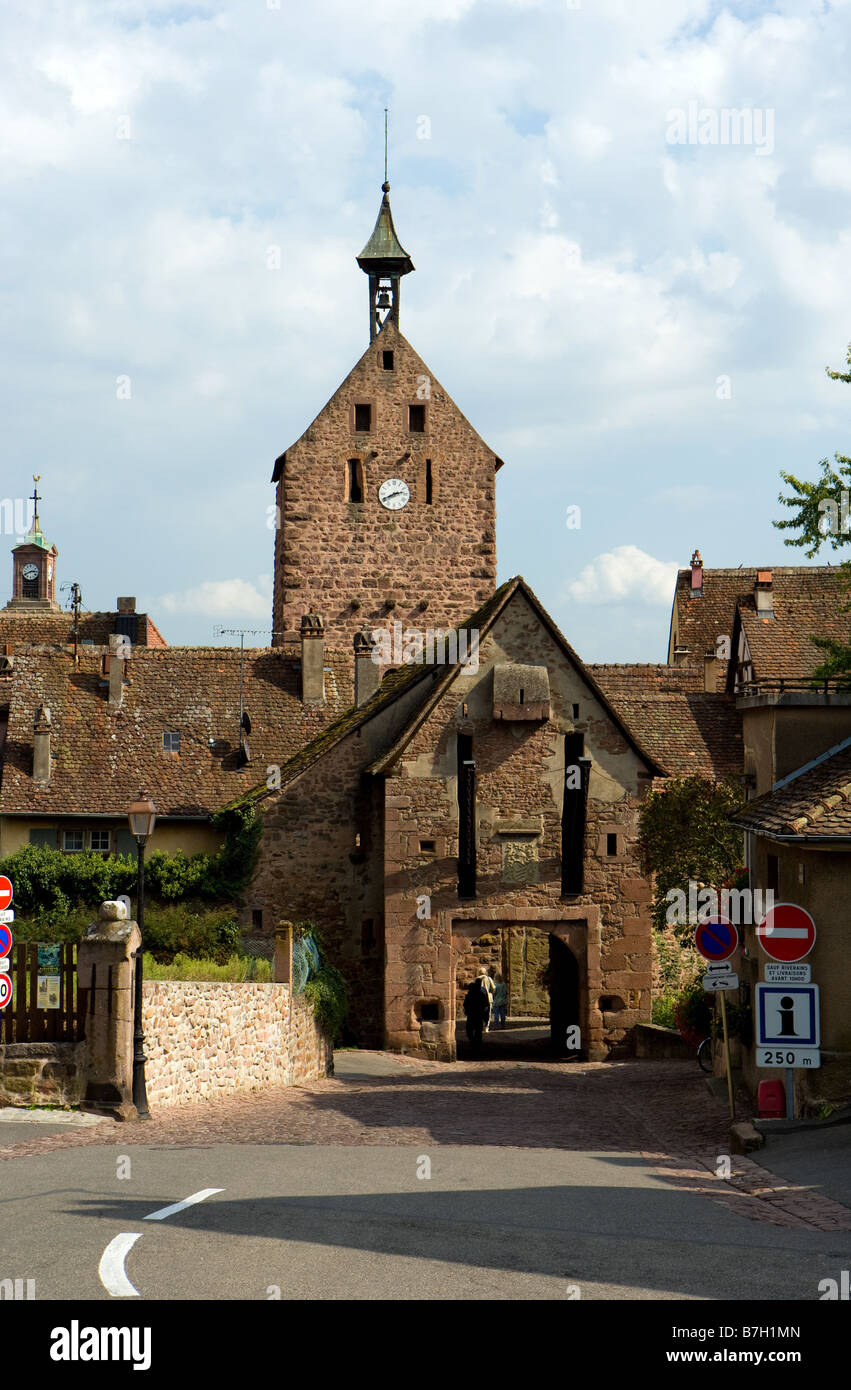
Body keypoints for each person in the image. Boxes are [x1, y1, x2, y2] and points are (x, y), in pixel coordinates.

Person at [463, 974, 490, 1051]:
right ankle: (477, 1043)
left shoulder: (470, 994)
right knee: (478, 1030)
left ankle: (473, 1041)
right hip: (479, 1014)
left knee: (470, 1029)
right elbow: (486, 1005)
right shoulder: (482, 994)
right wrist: (486, 1017)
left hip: (471, 1015)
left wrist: (467, 1011)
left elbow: (465, 1004)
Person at [478, 966, 495, 1031]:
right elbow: (493, 988)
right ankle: (486, 1027)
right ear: (485, 972)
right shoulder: (488, 978)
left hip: (479, 998)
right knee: (488, 1013)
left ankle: (481, 1025)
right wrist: (491, 993)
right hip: (488, 997)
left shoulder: (477, 979)